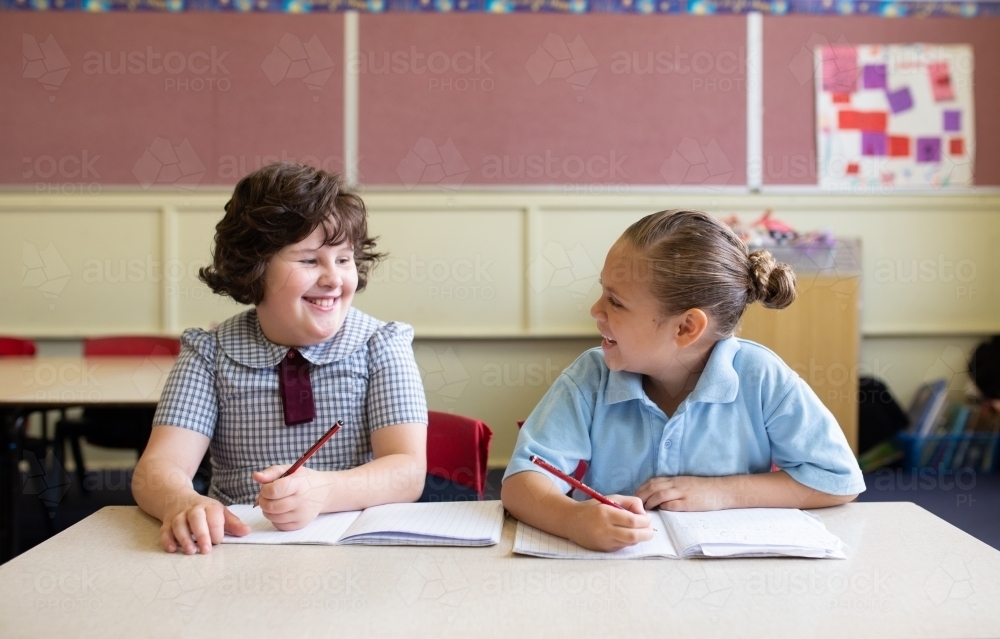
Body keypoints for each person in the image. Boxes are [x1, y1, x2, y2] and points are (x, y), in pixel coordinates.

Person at [501, 210, 865, 552]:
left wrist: (721, 493)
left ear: (686, 327)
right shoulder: (590, 376)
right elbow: (521, 484)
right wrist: (574, 520)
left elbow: (838, 479)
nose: (595, 310)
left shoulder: (761, 376)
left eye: (615, 301)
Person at [133, 163, 428, 554]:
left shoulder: (382, 345)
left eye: (343, 259)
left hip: (355, 549)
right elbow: (156, 469)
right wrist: (181, 501)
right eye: (309, 260)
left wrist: (324, 490)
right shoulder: (210, 353)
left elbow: (407, 471)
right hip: (238, 549)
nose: (334, 279)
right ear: (255, 269)